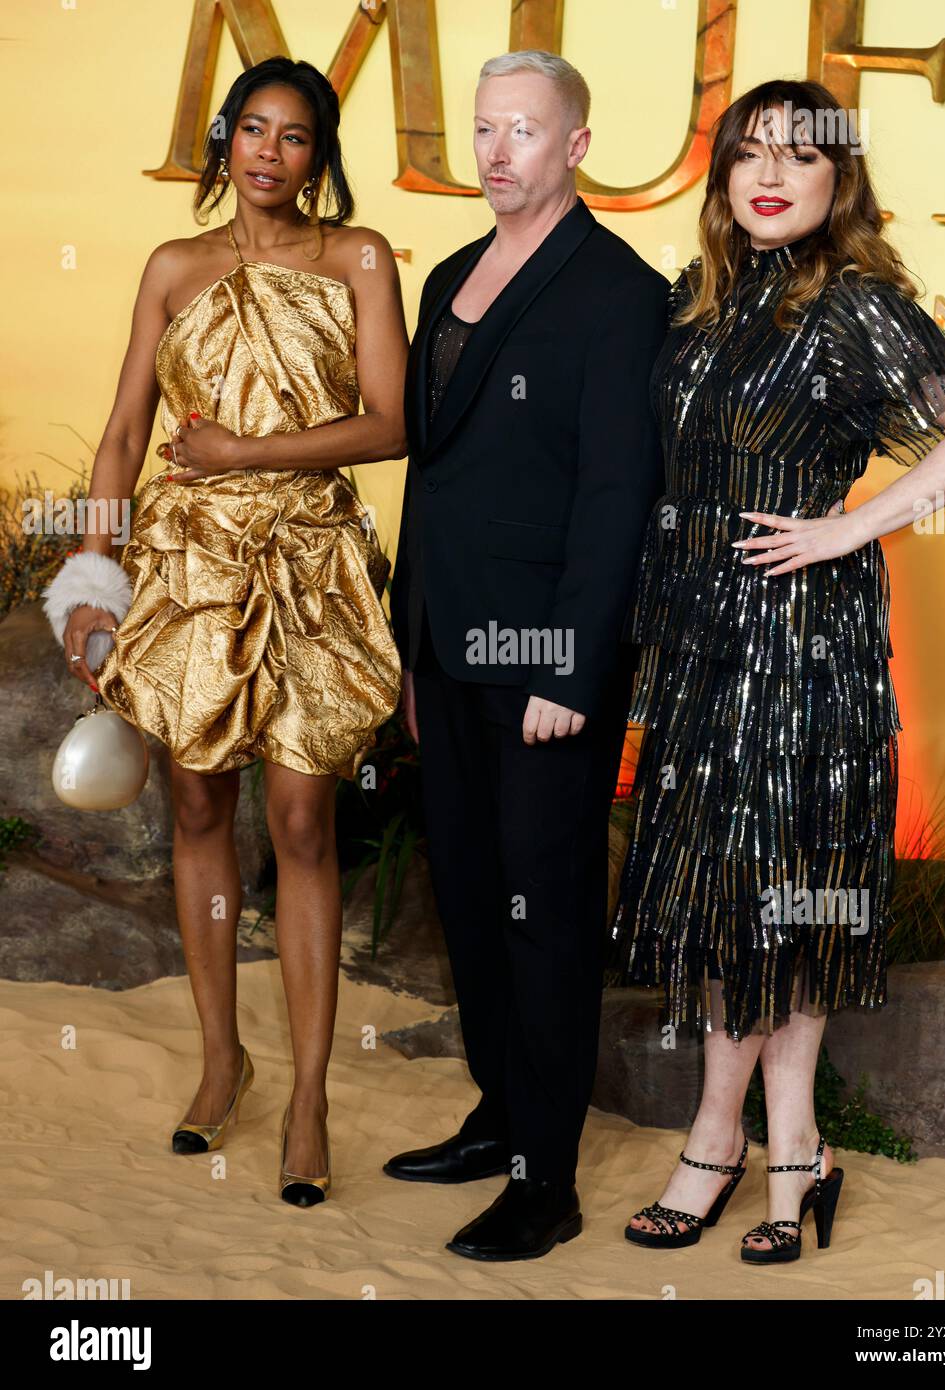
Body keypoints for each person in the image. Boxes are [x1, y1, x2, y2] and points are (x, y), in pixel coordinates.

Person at [609, 79, 945, 1263]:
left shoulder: (850, 304)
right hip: (700, 636)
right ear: (721, 174)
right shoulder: (704, 305)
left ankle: (718, 1138)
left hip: (798, 639)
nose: (770, 175)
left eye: (800, 156)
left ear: (839, 182)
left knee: (772, 877)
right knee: (732, 881)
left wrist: (850, 526)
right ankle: (792, 1144)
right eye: (748, 153)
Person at [42, 57, 408, 1207]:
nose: (268, 153)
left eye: (294, 138)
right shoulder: (175, 266)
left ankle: (308, 1096)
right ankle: (220, 1060)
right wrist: (92, 572)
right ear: (223, 140)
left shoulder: (357, 259)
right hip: (190, 565)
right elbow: (120, 434)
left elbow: (388, 425)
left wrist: (244, 455)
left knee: (300, 816)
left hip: (310, 562)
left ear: (319, 155)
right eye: (252, 130)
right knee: (197, 801)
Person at [384, 49, 668, 1260]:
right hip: (444, 648)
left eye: (524, 131)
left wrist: (565, 666)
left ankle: (543, 1181)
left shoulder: (619, 293)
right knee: (466, 892)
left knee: (542, 912)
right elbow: (429, 476)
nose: (497, 151)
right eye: (484, 130)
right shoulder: (448, 272)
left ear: (576, 147)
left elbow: (616, 497)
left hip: (545, 663)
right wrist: (407, 644)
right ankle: (498, 1118)